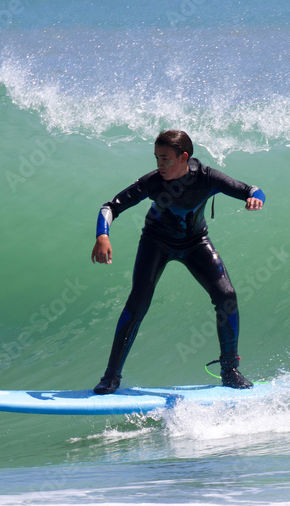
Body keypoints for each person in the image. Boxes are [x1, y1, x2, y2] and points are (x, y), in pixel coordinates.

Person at [90, 129, 266, 394]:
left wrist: (255, 199)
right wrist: (102, 234)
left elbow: (252, 189)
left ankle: (230, 370)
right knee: (137, 304)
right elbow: (111, 206)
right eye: (156, 158)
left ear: (184, 157)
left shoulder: (207, 178)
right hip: (156, 242)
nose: (159, 165)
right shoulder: (154, 182)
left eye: (165, 159)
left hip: (195, 243)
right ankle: (111, 377)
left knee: (226, 295)